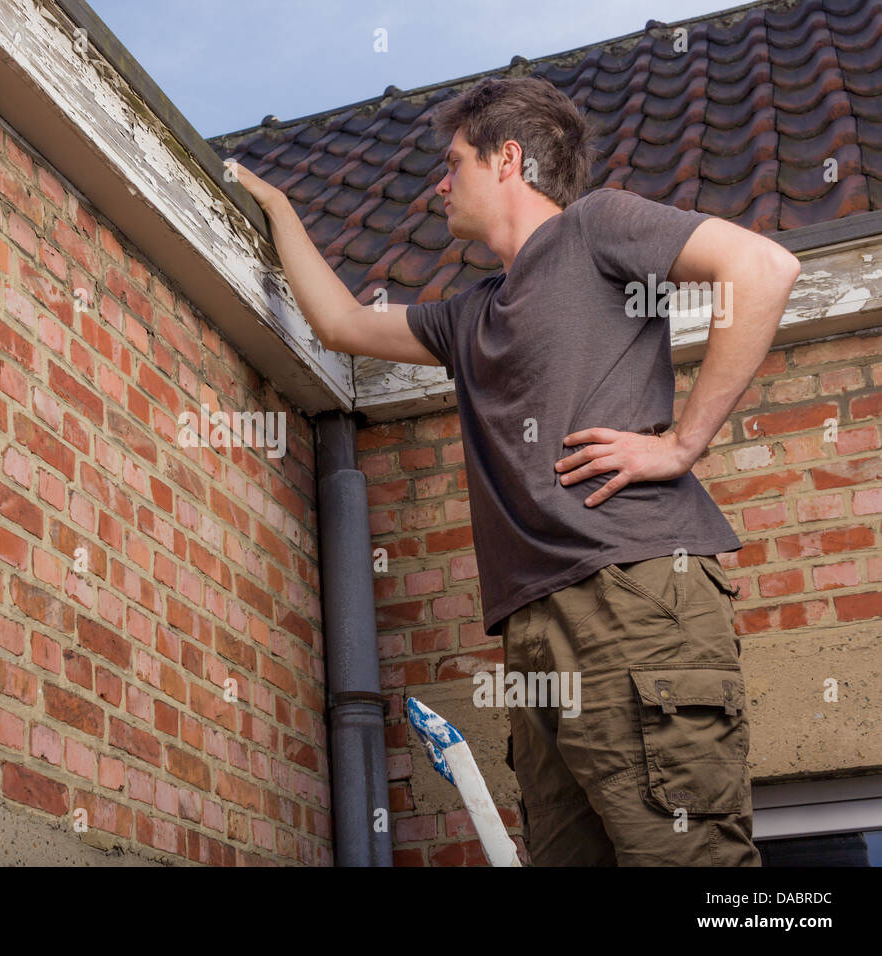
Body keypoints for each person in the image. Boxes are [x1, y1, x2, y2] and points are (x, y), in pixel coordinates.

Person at [233, 76, 800, 866]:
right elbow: (342, 323)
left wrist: (680, 444)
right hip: (533, 627)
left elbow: (764, 266)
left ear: (508, 159)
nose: (440, 181)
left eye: (454, 160)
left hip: (630, 592)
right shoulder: (470, 314)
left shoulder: (596, 227)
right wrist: (276, 206)